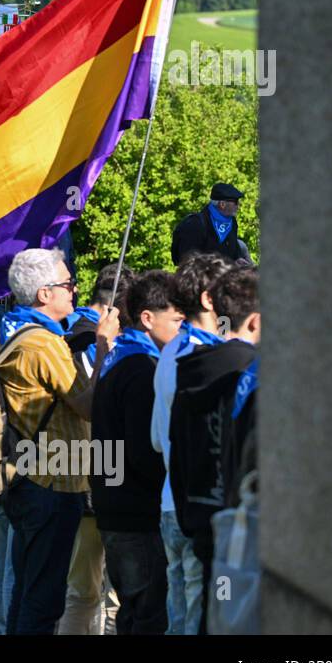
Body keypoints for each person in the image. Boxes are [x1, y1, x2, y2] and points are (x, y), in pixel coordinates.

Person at [0, 247, 118, 634]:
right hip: (52, 482)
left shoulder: (15, 328)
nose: (75, 289)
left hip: (29, 475)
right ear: (44, 294)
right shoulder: (45, 344)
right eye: (67, 284)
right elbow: (86, 406)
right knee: (44, 599)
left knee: (27, 590)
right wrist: (101, 351)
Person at [90, 270, 184, 634]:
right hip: (136, 512)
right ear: (148, 318)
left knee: (132, 610)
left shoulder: (118, 361)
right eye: (176, 319)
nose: (182, 328)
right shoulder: (142, 370)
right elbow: (144, 451)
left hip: (114, 504)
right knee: (148, 612)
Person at [168, 265, 259, 633]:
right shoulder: (250, 370)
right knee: (223, 615)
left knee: (207, 608)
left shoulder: (187, 364)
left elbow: (175, 443)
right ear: (254, 321)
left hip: (195, 513)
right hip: (233, 520)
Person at [151, 252, 231, 634]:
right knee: (201, 617)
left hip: (171, 501)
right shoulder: (209, 357)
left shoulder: (168, 352)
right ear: (207, 299)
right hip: (200, 504)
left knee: (180, 612)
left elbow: (156, 438)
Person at [55, 262, 133, 635]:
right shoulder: (86, 348)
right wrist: (105, 351)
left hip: (85, 476)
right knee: (94, 591)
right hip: (97, 478)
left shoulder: (67, 339)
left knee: (88, 590)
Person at [171, 182, 252, 265]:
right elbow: (188, 264)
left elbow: (233, 252)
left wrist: (237, 260)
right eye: (235, 202)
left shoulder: (232, 223)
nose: (238, 205)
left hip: (225, 276)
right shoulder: (195, 224)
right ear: (222, 204)